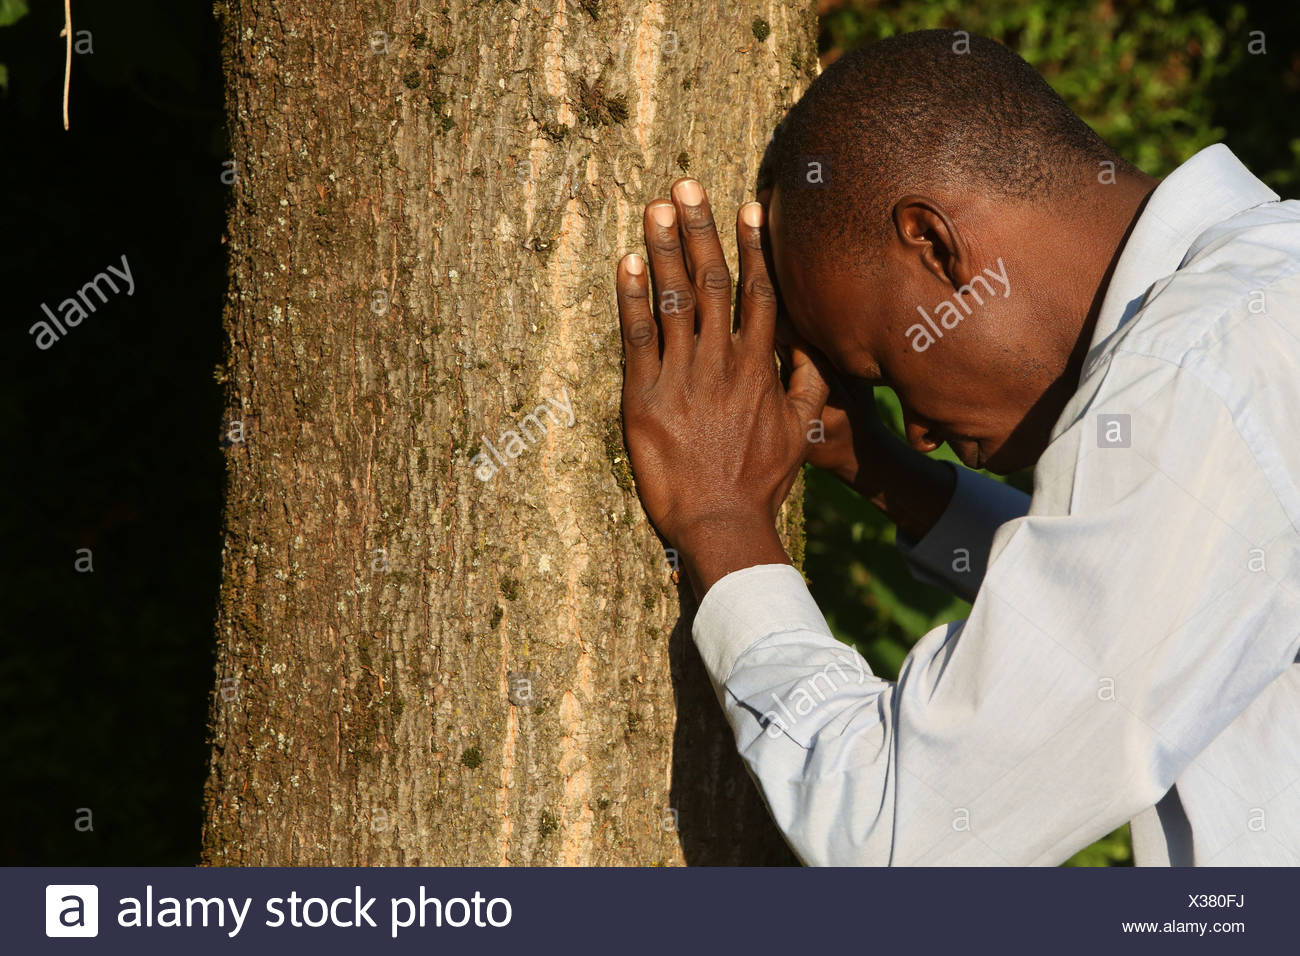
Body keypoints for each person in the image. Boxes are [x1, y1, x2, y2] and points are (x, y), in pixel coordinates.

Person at [613, 29, 1300, 865]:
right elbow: (1159, 587)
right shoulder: (1257, 308)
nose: (920, 430)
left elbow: (912, 831)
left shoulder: (1198, 376)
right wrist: (894, 478)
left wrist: (722, 522)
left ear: (936, 245)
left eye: (884, 365)